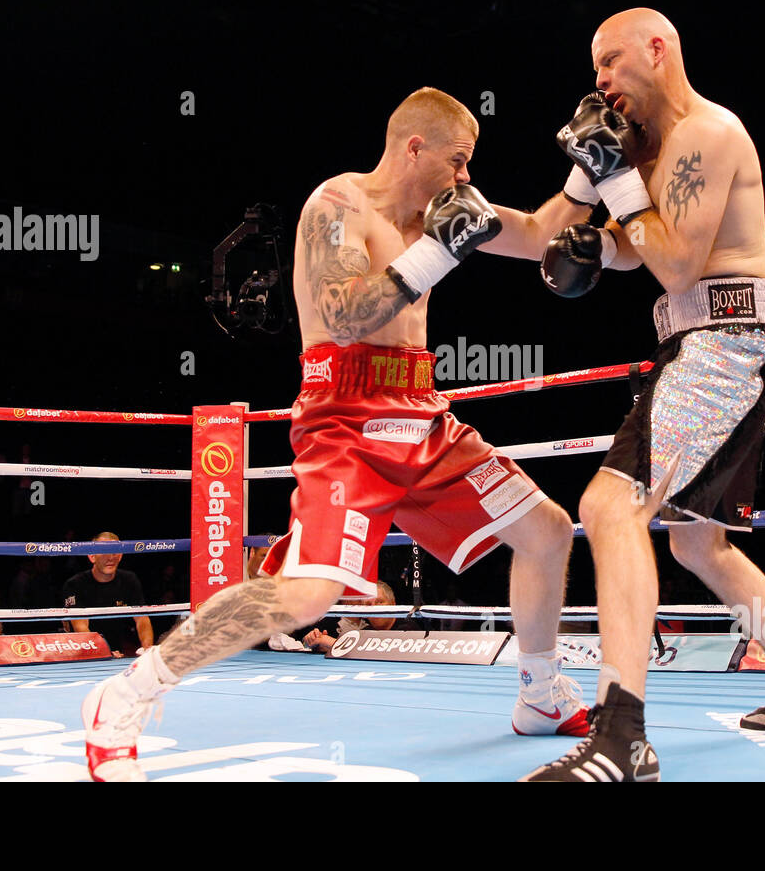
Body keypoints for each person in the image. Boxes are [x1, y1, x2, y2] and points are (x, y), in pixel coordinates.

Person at [82, 87, 597, 781]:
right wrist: (440, 251)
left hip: (421, 406)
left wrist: (588, 171)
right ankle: (128, 691)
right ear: (415, 147)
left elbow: (538, 232)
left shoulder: (438, 211)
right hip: (347, 417)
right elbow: (345, 313)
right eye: (458, 161)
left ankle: (539, 692)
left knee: (548, 529)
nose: (466, 179)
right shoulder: (336, 205)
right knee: (308, 594)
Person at [524, 9, 765, 783]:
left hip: (725, 339)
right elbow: (579, 237)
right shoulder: (644, 147)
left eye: (609, 61)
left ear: (657, 49)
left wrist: (619, 184)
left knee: (608, 506)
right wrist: (502, 236)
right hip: (706, 342)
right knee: (698, 541)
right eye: (593, 68)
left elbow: (673, 262)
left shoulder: (707, 131)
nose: (598, 80)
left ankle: (622, 735)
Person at [62, 532, 155, 658]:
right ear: (92, 556)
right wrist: (104, 653)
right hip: (78, 655)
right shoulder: (75, 584)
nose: (111, 557)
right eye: (104, 552)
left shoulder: (129, 580)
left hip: (116, 653)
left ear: (121, 555)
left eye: (115, 551)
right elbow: (81, 626)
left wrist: (147, 649)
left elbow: (142, 619)